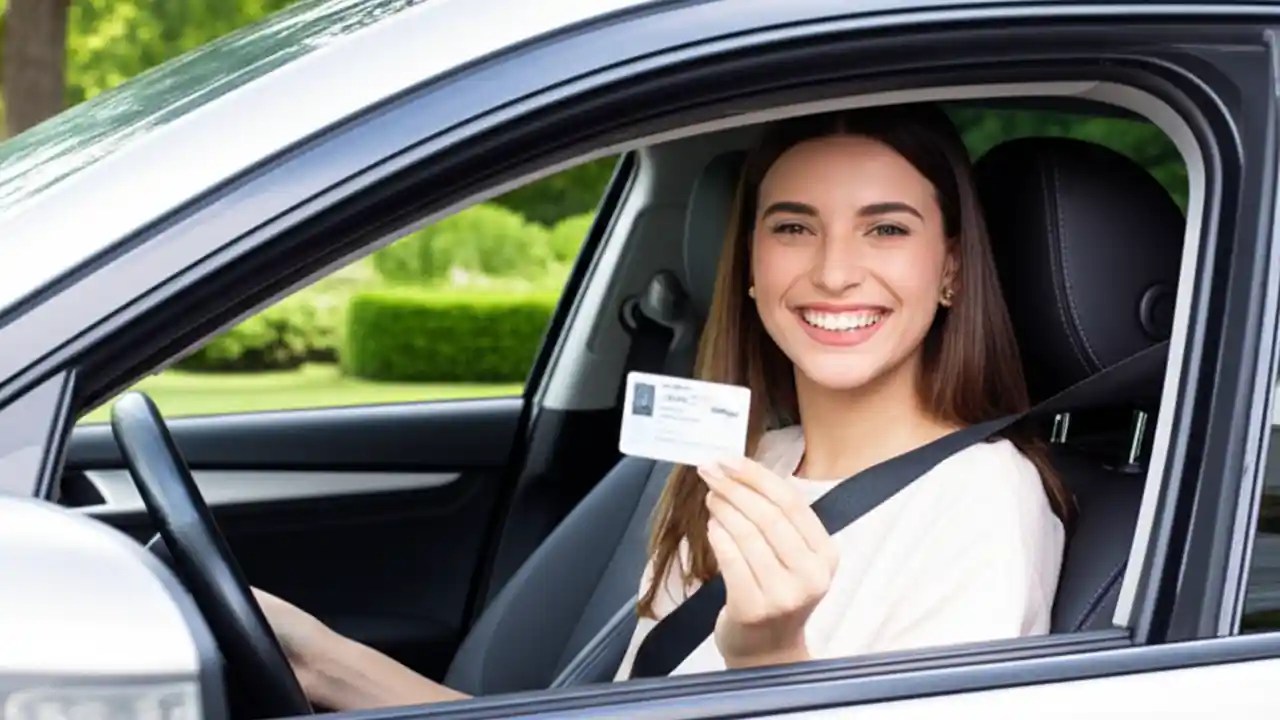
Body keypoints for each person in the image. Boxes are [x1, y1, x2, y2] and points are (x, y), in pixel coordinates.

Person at [254, 102, 1068, 708]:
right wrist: (318, 658)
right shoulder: (748, 460)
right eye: (792, 228)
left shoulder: (986, 501)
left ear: (953, 269)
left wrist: (770, 661)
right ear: (749, 268)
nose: (833, 272)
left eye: (885, 230)